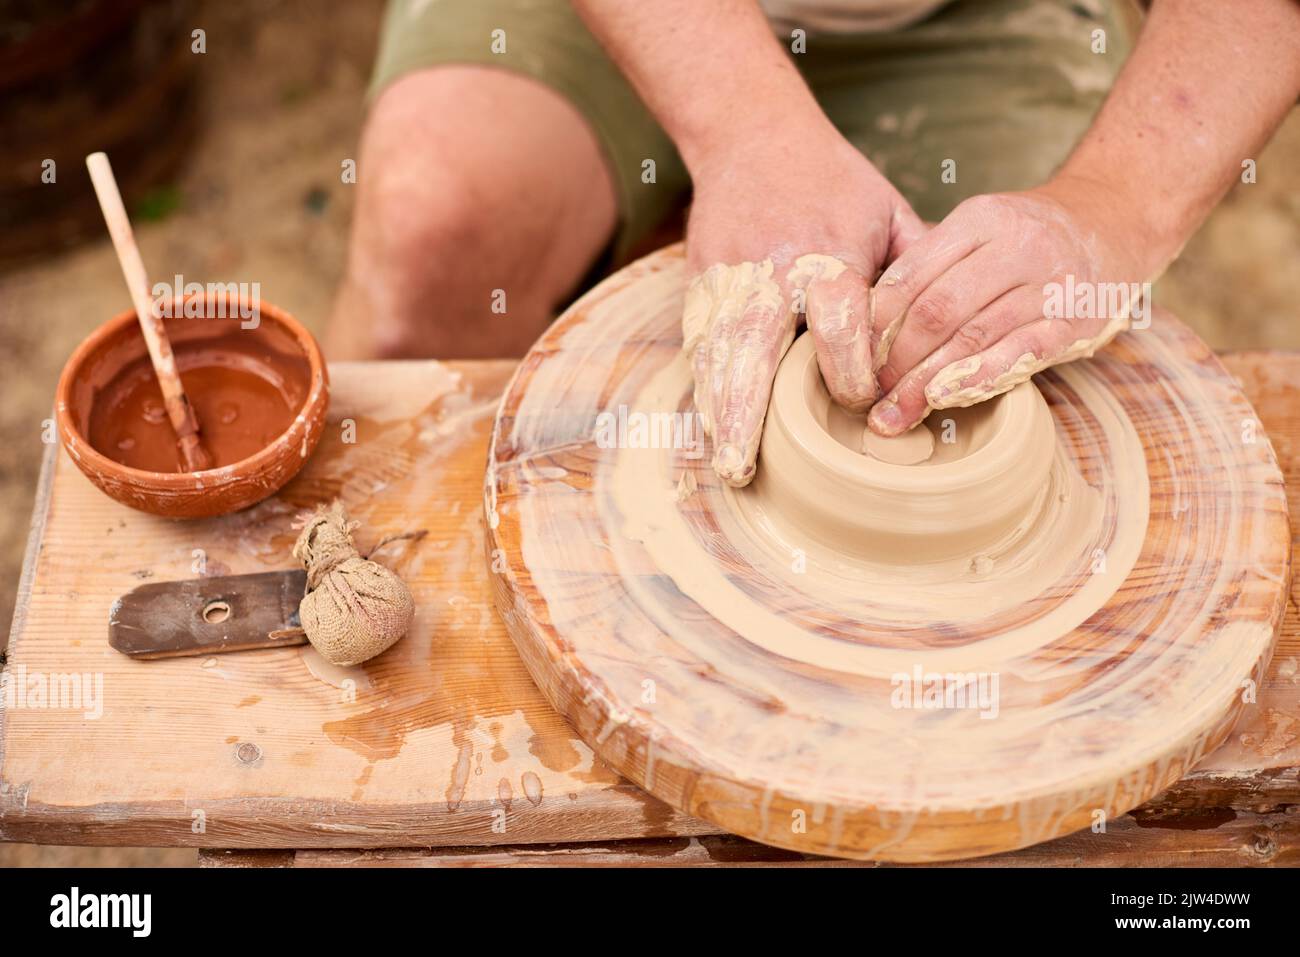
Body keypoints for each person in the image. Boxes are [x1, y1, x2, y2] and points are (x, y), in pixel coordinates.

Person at [327, 0, 1300, 486]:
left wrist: (1108, 207)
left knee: (1005, 381)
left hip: (980, 14)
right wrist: (747, 128)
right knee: (436, 228)